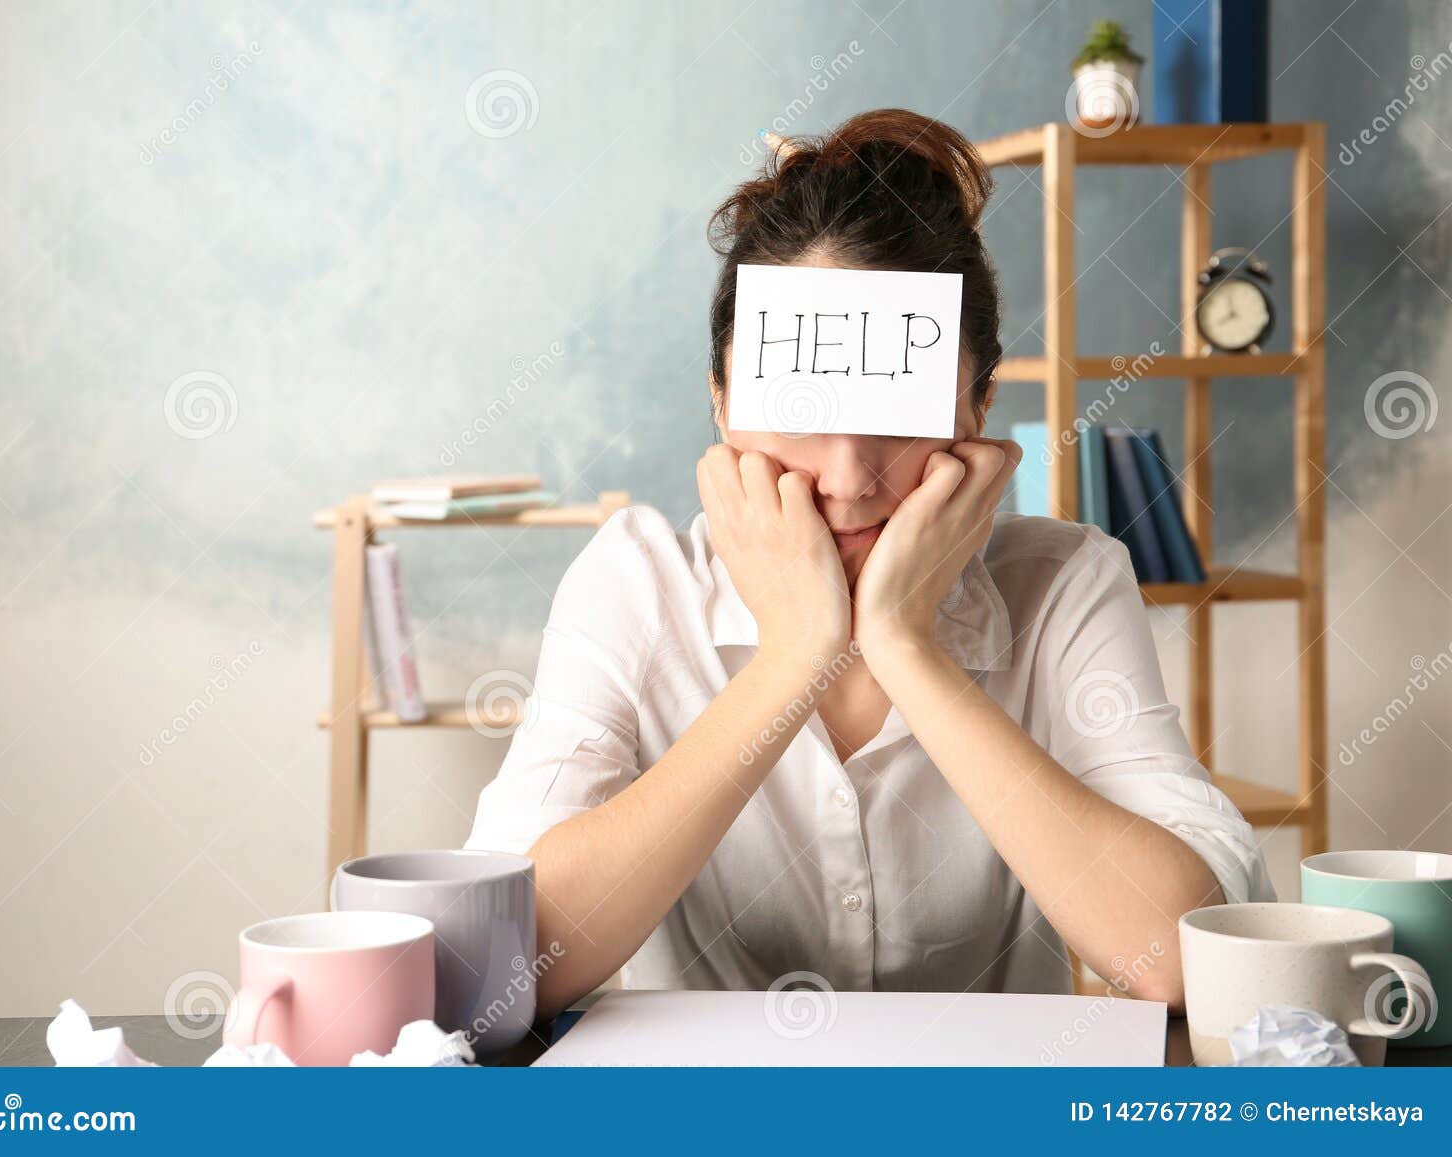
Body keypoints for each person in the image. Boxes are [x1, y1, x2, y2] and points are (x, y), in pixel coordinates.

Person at [465, 108, 1274, 1019]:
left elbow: (1192, 959)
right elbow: (503, 961)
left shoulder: (1066, 583)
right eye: (803, 414)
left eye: (895, 418)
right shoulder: (636, 585)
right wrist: (791, 659)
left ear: (976, 410)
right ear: (722, 404)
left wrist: (904, 644)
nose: (849, 482)